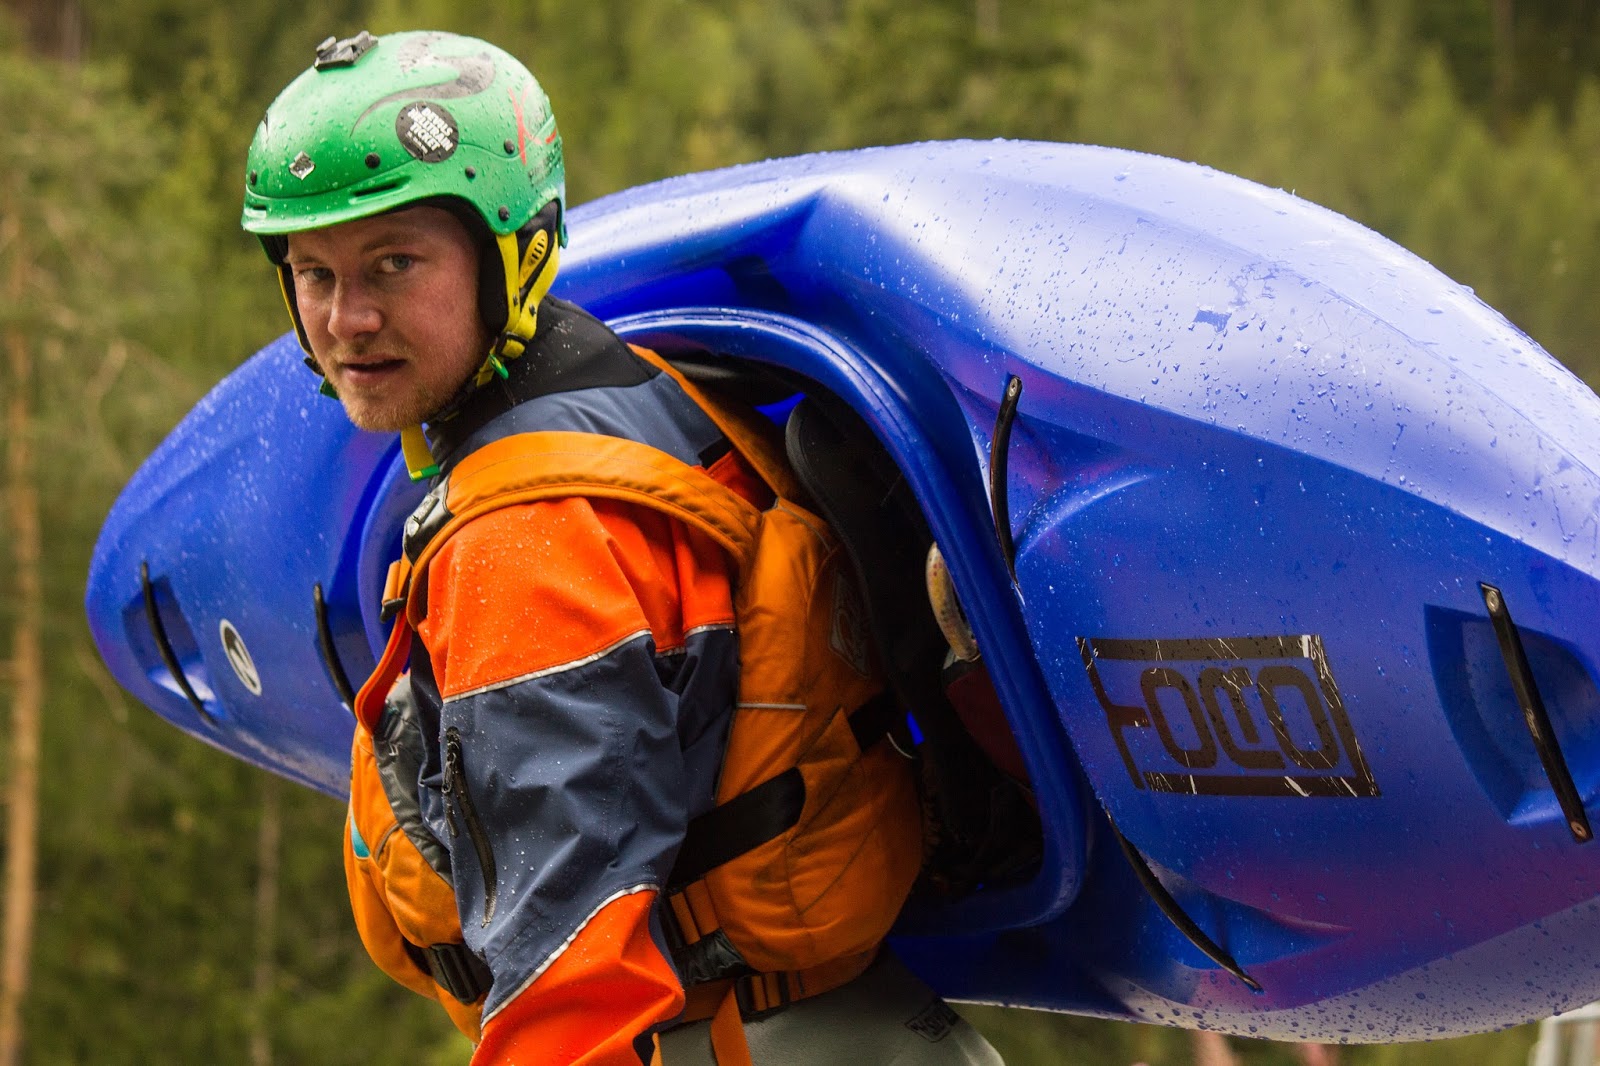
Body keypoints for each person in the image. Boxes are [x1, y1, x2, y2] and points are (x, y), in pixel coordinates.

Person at [240, 28, 1005, 1066]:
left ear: (513, 249)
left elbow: (571, 966)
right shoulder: (644, 395)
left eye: (394, 263)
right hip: (856, 1026)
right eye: (311, 273)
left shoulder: (525, 536)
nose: (347, 318)